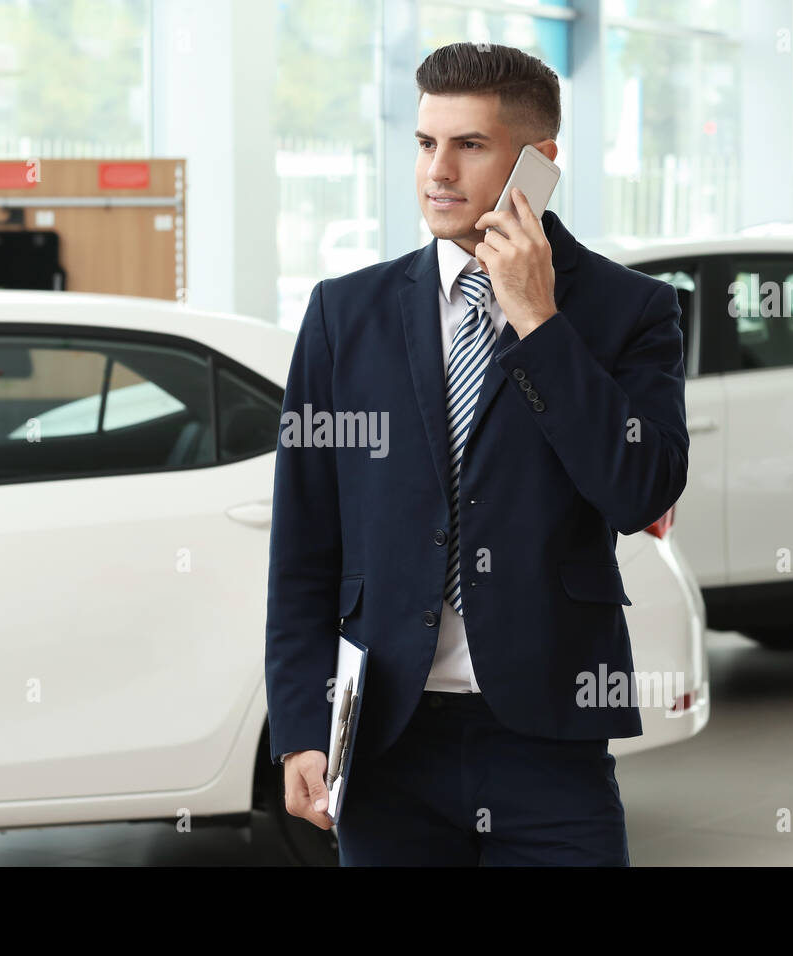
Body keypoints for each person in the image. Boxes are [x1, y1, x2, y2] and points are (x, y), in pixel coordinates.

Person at [264, 41, 688, 866]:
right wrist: (299, 729)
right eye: (426, 143)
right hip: (386, 741)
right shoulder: (342, 316)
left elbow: (639, 492)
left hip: (550, 745)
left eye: (470, 145)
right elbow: (303, 545)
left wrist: (540, 322)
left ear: (540, 162)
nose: (438, 171)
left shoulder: (630, 312)